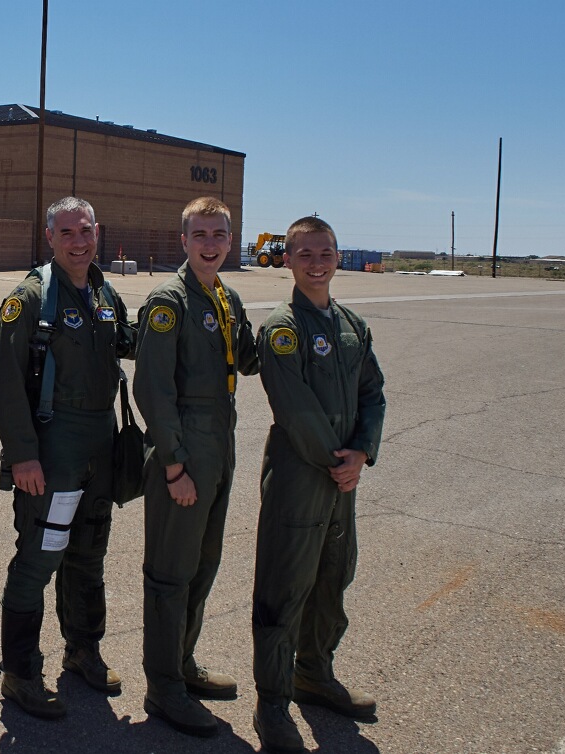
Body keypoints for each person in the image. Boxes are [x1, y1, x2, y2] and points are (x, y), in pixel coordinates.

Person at [0, 196, 133, 719]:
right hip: (53, 451)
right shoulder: (31, 297)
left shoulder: (102, 289)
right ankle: (20, 673)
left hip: (99, 445)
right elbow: (4, 383)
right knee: (38, 558)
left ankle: (83, 651)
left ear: (98, 232)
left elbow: (129, 340)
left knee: (89, 553)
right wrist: (24, 456)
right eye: (68, 232)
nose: (79, 242)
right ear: (49, 237)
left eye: (87, 231)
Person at [251, 216, 386, 753]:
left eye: (325, 252)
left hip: (342, 478)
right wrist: (339, 461)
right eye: (304, 253)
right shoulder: (283, 328)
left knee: (334, 577)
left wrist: (363, 451)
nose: (316, 262)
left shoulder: (351, 324)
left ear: (337, 256)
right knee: (285, 588)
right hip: (301, 477)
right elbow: (295, 409)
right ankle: (273, 703)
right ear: (287, 259)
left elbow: (373, 392)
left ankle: (314, 673)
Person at [133, 196, 259, 737]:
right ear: (183, 240)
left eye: (219, 235)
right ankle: (163, 689)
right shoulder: (170, 300)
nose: (210, 244)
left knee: (203, 563)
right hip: (184, 446)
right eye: (200, 235)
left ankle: (182, 665)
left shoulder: (225, 297)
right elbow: (153, 389)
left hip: (220, 443)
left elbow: (248, 359)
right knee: (170, 574)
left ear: (230, 241)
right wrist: (174, 466)